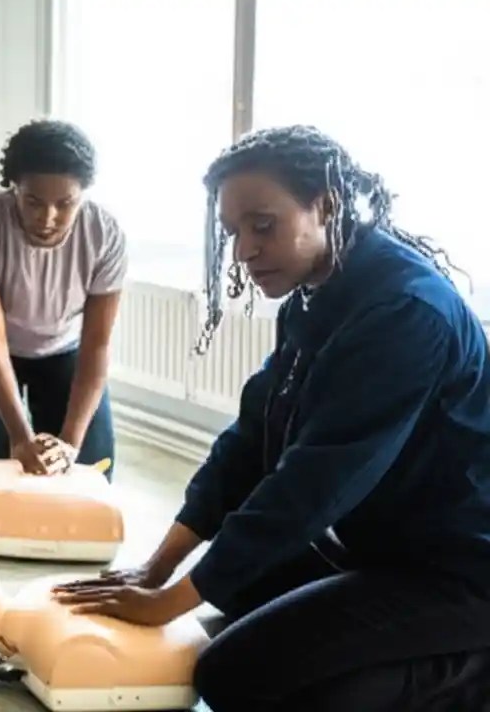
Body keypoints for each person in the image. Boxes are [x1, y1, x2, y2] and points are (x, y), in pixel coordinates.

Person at [54, 125, 490, 711]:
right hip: (386, 550)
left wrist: (171, 602)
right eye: (233, 231)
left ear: (326, 206)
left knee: (233, 674)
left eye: (263, 225)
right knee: (246, 584)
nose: (243, 250)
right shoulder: (314, 291)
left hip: (460, 572)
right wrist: (155, 570)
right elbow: (250, 438)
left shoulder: (404, 314)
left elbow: (311, 485)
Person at [0, 119, 126, 500]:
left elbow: (97, 345)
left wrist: (70, 442)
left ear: (83, 194)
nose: (47, 218)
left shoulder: (105, 234)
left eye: (65, 203)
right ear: (14, 188)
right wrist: (20, 438)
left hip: (61, 350)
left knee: (92, 469)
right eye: (34, 201)